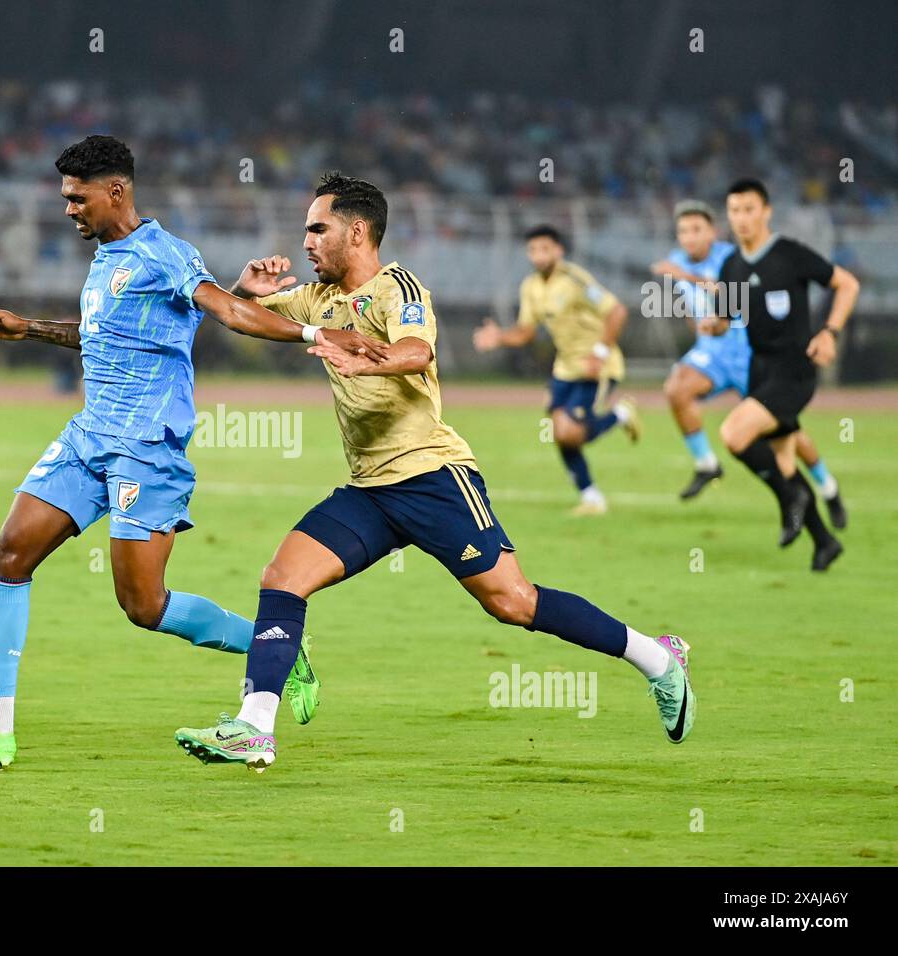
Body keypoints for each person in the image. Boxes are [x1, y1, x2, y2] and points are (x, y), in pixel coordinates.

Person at [174, 174, 694, 773]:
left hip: (433, 477)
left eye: (319, 228)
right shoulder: (319, 299)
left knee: (514, 603)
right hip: (370, 490)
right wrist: (244, 286)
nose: (307, 241)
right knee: (282, 579)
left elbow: (416, 351)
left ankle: (657, 658)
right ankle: (254, 726)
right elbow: (236, 316)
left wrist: (361, 359)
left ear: (358, 230)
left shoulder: (399, 288)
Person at [0, 138, 383, 768]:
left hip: (145, 451)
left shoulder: (164, 253)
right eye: (64, 198)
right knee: (7, 556)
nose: (68, 210)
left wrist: (314, 331)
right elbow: (102, 333)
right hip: (87, 438)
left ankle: (272, 647)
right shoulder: (107, 259)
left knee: (143, 605)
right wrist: (27, 328)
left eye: (77, 198)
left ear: (116, 191)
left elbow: (229, 312)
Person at [656, 201, 845, 522]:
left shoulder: (732, 257)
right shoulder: (676, 262)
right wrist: (699, 322)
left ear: (713, 232)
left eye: (696, 229)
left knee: (787, 435)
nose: (689, 237)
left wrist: (686, 277)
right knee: (676, 389)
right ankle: (707, 465)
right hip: (713, 353)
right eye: (683, 231)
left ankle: (827, 486)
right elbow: (697, 306)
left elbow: (732, 295)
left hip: (750, 354)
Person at [712, 179, 858, 571]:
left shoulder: (789, 254)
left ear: (766, 211)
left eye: (749, 209)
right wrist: (714, 324)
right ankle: (824, 542)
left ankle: (791, 498)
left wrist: (829, 332)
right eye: (734, 211)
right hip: (760, 370)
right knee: (785, 461)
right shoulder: (731, 264)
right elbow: (725, 319)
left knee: (733, 434)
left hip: (794, 370)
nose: (741, 218)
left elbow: (847, 284)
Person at [473, 226, 641, 515]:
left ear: (558, 251)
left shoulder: (575, 279)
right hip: (565, 368)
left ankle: (622, 413)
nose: (538, 255)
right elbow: (526, 332)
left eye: (544, 249)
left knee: (567, 431)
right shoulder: (531, 287)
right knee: (559, 431)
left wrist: (599, 354)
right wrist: (499, 337)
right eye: (533, 250)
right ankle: (591, 498)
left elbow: (617, 312)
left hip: (597, 367)